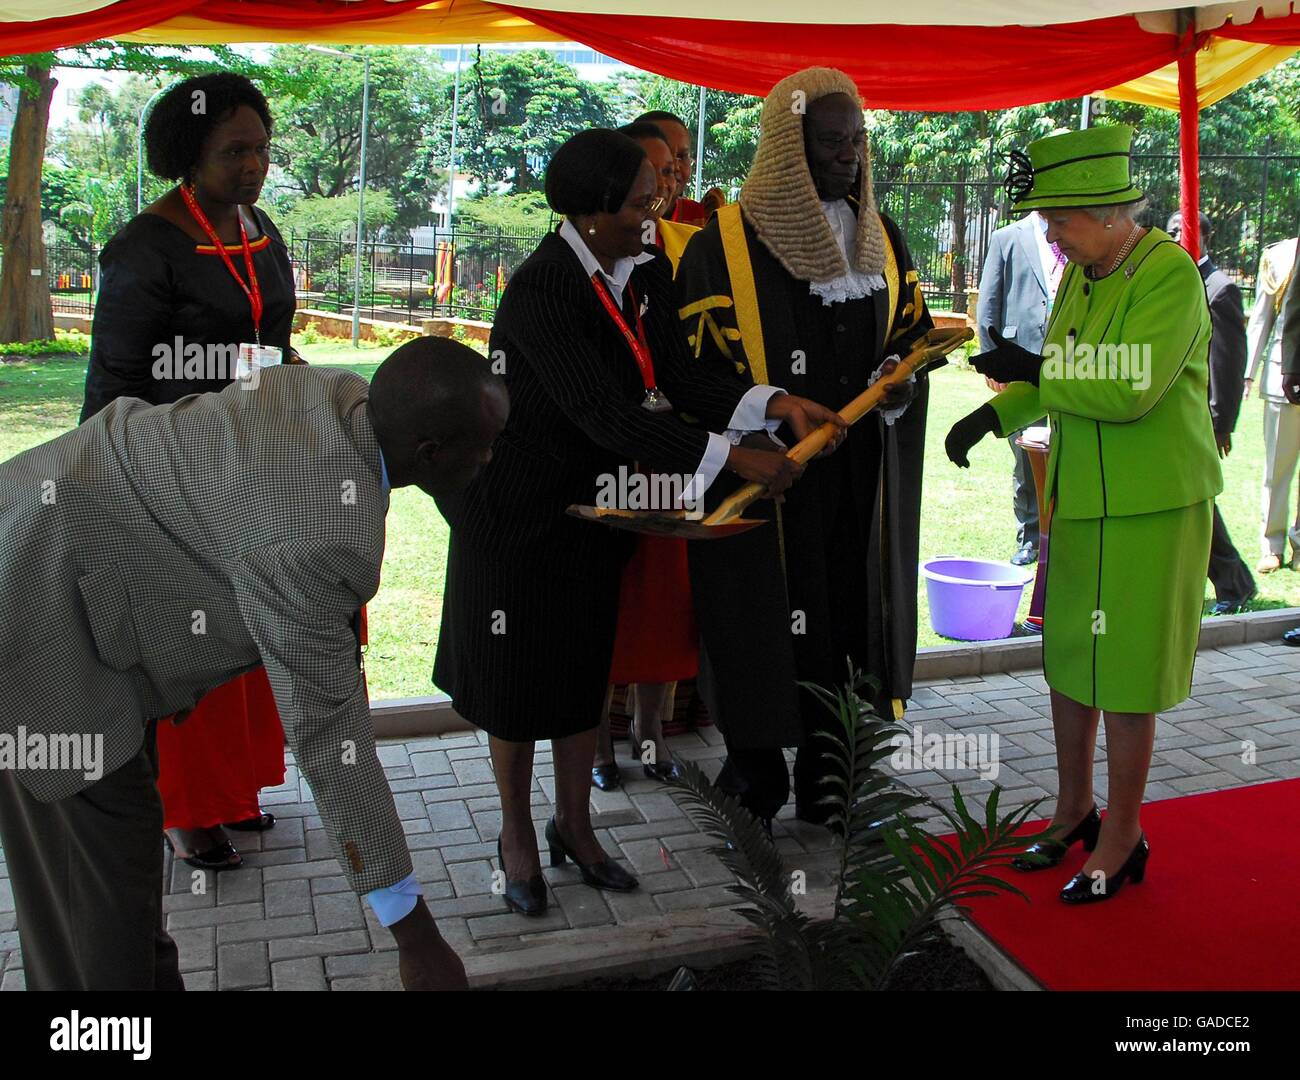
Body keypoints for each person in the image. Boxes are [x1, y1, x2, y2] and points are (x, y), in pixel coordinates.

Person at [0, 339, 504, 988]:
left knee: (117, 901)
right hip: (35, 626)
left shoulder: (338, 395)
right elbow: (331, 738)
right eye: (486, 446)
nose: (491, 461)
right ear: (430, 453)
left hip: (62, 578)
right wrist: (416, 937)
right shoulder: (318, 537)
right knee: (92, 920)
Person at [433, 128, 844, 917]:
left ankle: (575, 827)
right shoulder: (544, 290)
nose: (654, 214)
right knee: (522, 686)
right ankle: (517, 837)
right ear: (589, 213)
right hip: (519, 517)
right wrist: (732, 457)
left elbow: (680, 374)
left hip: (598, 513)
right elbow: (600, 413)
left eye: (656, 196)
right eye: (638, 202)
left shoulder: (645, 268)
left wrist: (772, 403)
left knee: (583, 674)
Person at [946, 124, 1222, 904]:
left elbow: (1130, 387)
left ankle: (1124, 832)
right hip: (1083, 501)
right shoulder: (1086, 270)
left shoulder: (1167, 275)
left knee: (1126, 673)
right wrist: (991, 417)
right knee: (1071, 660)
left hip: (1152, 509)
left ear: (1106, 211)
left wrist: (1038, 368)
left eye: (1059, 219)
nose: (1051, 235)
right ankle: (1075, 809)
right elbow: (1058, 373)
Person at [675, 67, 932, 827]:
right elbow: (689, 369)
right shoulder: (721, 244)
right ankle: (753, 776)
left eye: (858, 140)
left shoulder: (883, 234)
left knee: (850, 613)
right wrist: (769, 408)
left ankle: (834, 775)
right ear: (789, 146)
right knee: (758, 615)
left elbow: (913, 334)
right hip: (765, 471)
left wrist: (895, 375)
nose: (851, 156)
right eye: (831, 141)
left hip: (857, 473)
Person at [80, 72, 298, 871]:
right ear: (186, 155)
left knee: (248, 637)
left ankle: (234, 793)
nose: (254, 165)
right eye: (233, 151)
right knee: (188, 647)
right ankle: (185, 811)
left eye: (262, 148)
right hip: (175, 477)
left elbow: (271, 342)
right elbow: (114, 381)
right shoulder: (145, 247)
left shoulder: (258, 229)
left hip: (254, 470)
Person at [592, 122, 703, 790]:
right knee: (611, 602)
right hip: (608, 452)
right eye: (657, 168)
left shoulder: (688, 247)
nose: (670, 180)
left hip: (674, 451)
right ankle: (600, 748)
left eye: (679, 164)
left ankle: (652, 732)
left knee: (666, 602)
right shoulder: (591, 254)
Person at [1166, 211, 1255, 614]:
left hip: (1200, 418)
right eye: (1169, 232)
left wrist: (1221, 424)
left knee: (1196, 501)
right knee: (1189, 500)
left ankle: (1233, 582)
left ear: (1204, 237)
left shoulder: (1218, 289)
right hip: (1171, 412)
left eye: (1181, 232)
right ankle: (1232, 579)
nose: (1174, 238)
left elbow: (1227, 364)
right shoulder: (1174, 282)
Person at [975, 212, 1063, 566]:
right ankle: (1029, 536)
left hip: (1065, 360)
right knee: (1024, 454)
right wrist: (991, 357)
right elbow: (989, 301)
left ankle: (1062, 532)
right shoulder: (1006, 237)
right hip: (1018, 358)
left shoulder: (1076, 232)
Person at [1245, 234, 1300, 574]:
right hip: (1284, 374)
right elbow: (1262, 319)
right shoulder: (1278, 255)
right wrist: (1247, 374)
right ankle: (1273, 543)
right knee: (1277, 468)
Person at [635, 110, 710, 227]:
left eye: (682, 156)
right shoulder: (616, 222)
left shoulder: (704, 219)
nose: (675, 167)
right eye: (665, 154)